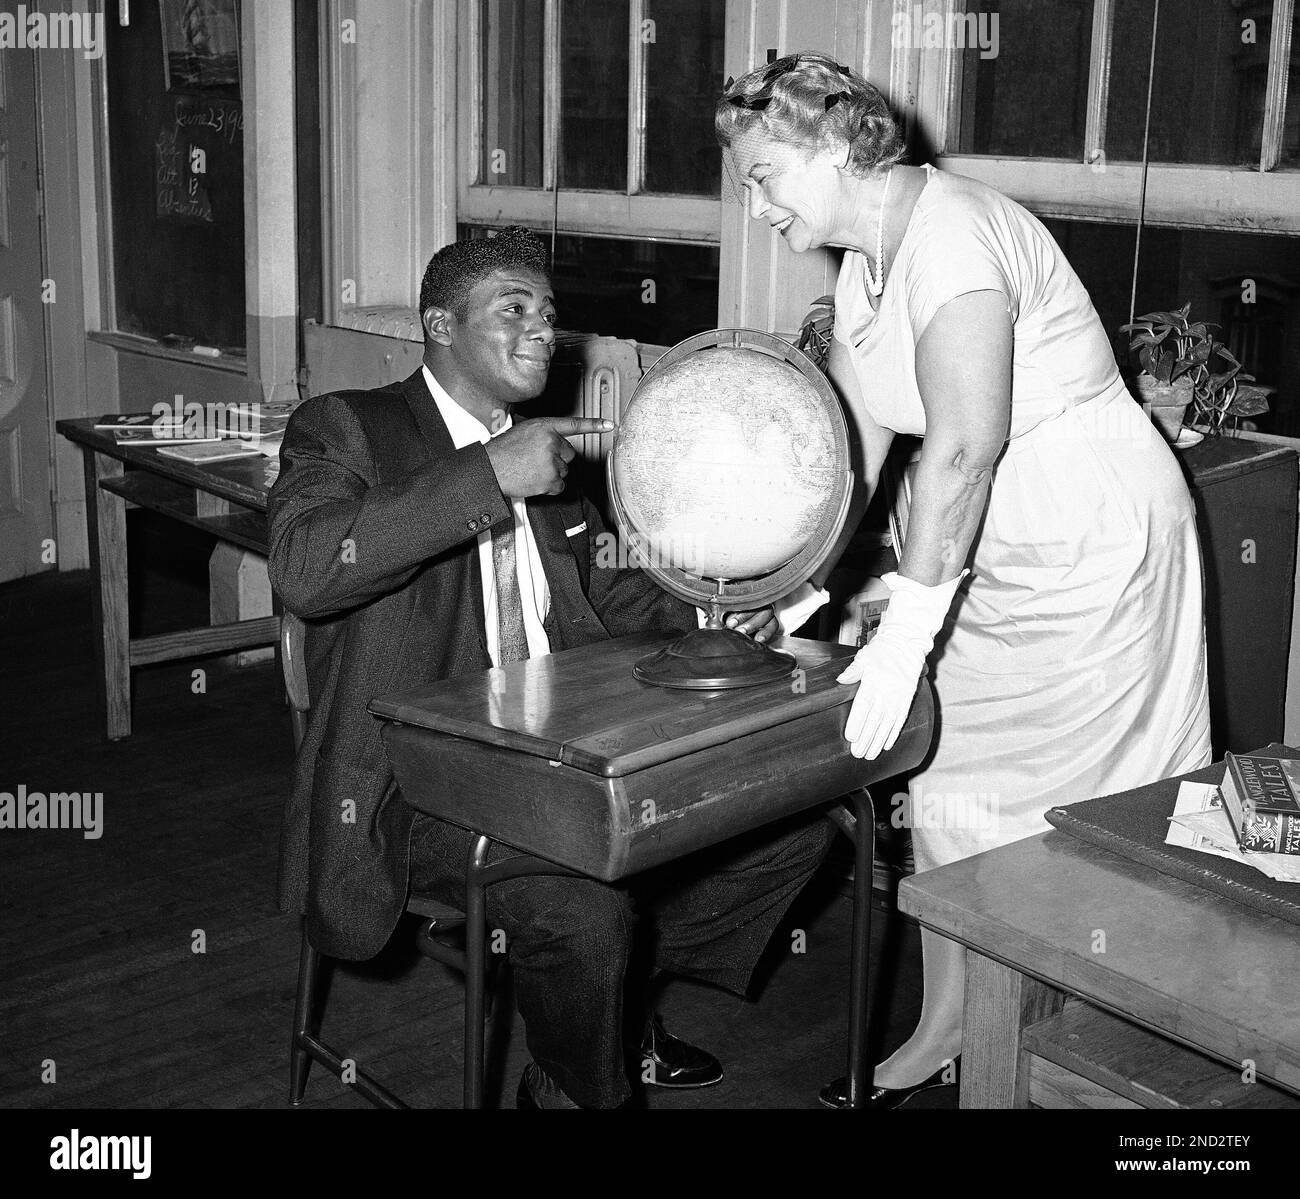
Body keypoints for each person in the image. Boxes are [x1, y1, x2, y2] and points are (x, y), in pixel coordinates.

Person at [715, 54, 1212, 1109]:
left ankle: (1087, 1058)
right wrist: (796, 579)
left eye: (763, 177)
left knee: (1080, 810)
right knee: (951, 789)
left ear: (837, 147)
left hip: (1089, 537)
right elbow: (850, 445)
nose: (752, 207)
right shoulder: (864, 262)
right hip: (977, 548)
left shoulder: (953, 237)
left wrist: (901, 637)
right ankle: (950, 1028)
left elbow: (962, 449)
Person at [267, 226, 836, 1109]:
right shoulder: (350, 426)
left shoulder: (552, 459)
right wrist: (485, 473)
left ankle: (597, 1011)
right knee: (583, 907)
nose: (543, 328)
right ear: (439, 324)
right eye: (515, 308)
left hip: (563, 759)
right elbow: (307, 568)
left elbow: (623, 601)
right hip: (412, 786)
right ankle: (573, 1084)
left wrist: (729, 616)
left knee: (791, 829)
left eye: (550, 312)